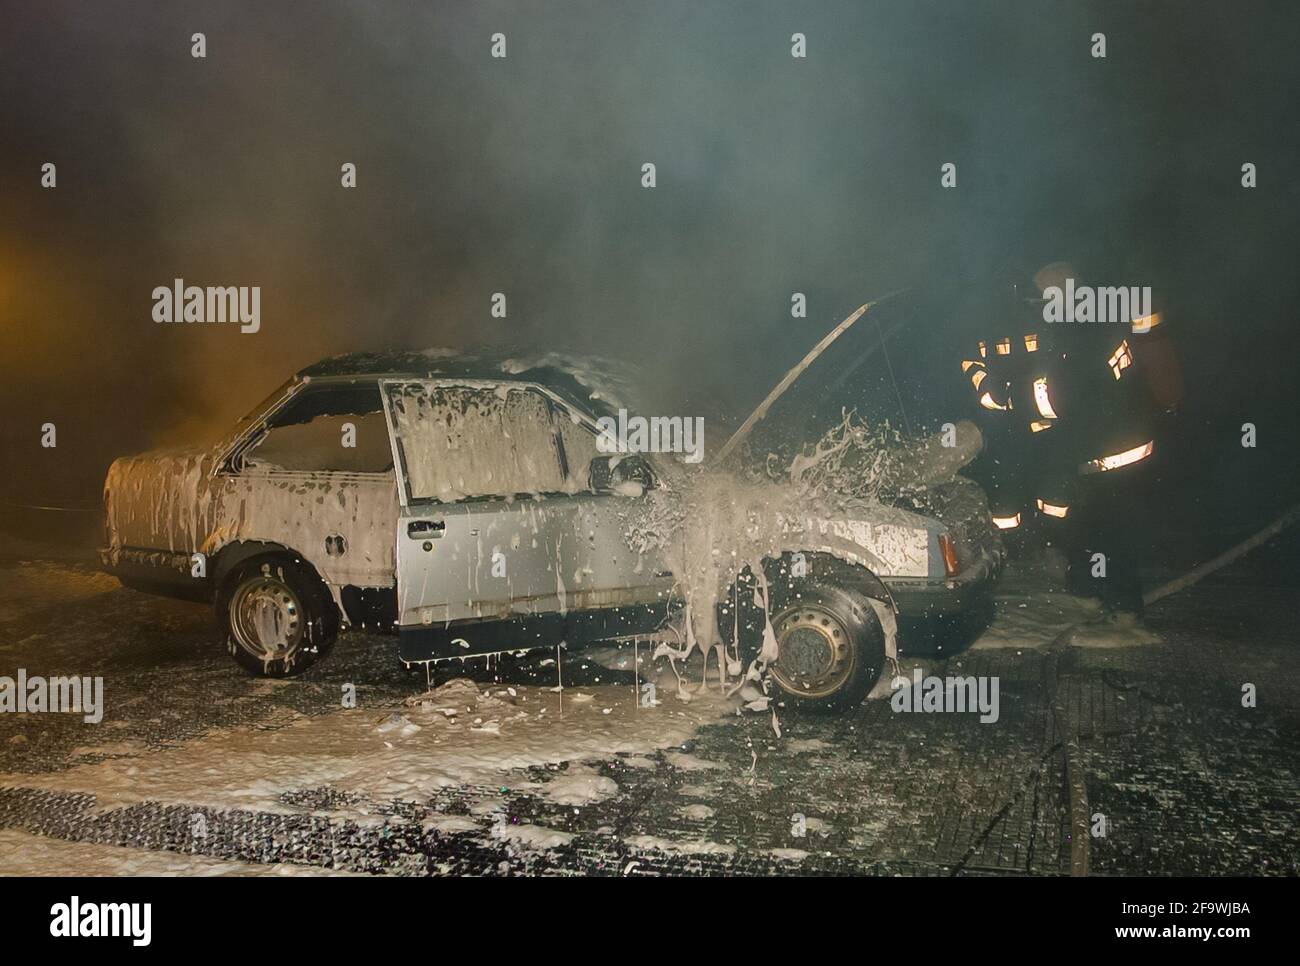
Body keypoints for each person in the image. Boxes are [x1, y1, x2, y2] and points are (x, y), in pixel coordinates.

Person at [958, 261, 1183, 613]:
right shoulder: (1085, 322)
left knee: (1113, 533)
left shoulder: (1086, 332)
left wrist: (1013, 399)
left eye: (1041, 300)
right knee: (1096, 528)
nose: (1036, 309)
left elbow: (1065, 395)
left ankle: (1123, 612)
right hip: (1105, 453)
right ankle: (1092, 589)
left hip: (1112, 456)